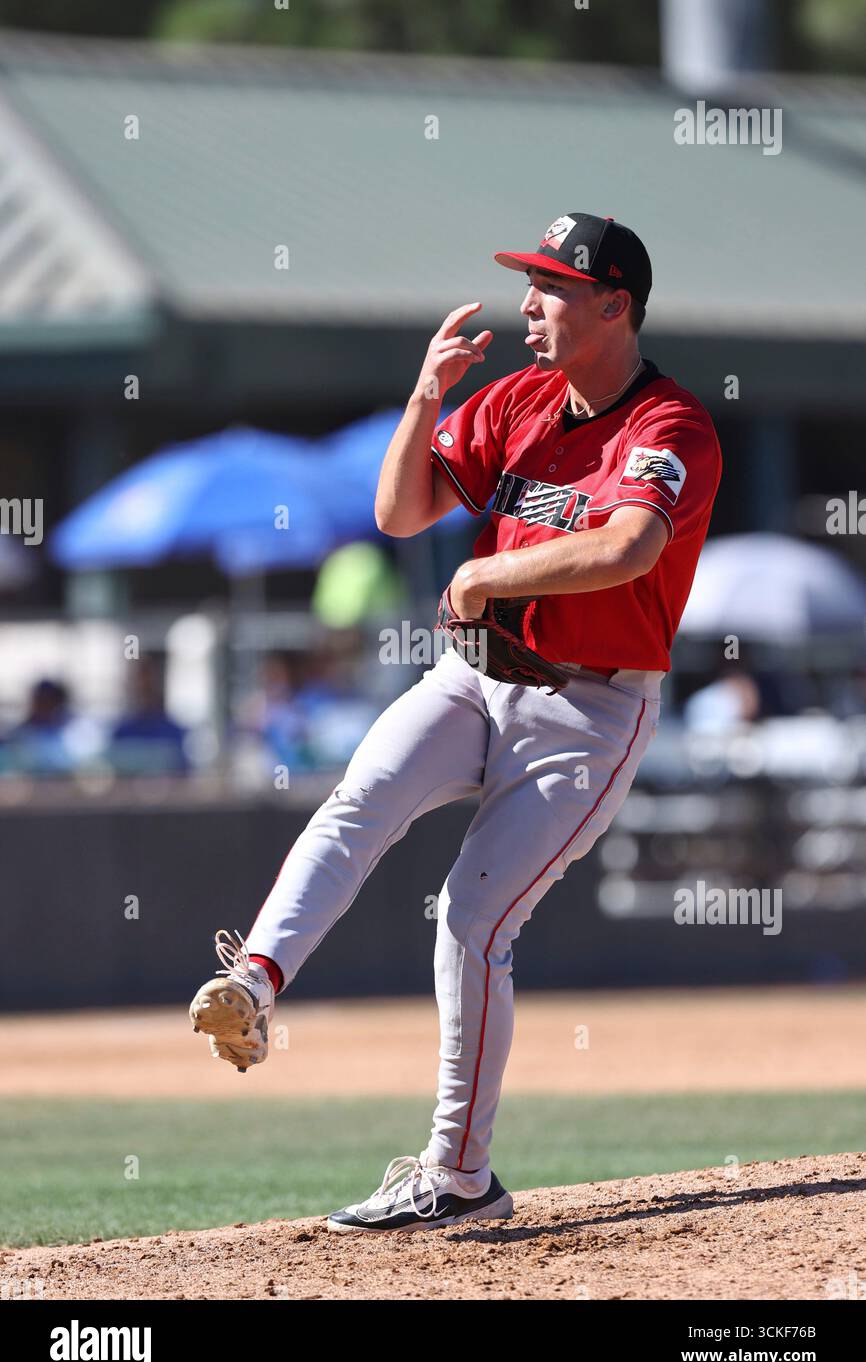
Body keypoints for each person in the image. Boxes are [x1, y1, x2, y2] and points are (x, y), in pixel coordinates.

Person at [189, 212, 722, 1233]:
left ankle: (458, 1175)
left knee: (472, 921)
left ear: (613, 304)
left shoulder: (670, 425)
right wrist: (425, 393)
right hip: (475, 676)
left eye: (551, 287)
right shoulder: (517, 398)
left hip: (588, 707)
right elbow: (398, 512)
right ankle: (254, 980)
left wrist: (484, 570)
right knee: (359, 800)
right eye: (529, 285)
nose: (528, 304)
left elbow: (625, 549)